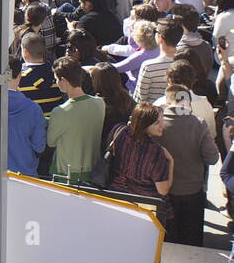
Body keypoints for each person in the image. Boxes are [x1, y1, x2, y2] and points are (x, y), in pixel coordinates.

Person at [159, 84, 218, 245]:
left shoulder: (157, 124)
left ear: (167, 101)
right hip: (192, 191)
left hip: (164, 191)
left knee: (167, 242)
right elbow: (212, 158)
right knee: (191, 240)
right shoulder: (199, 124)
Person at [46, 55, 107, 184]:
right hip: (94, 172)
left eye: (56, 79)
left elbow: (50, 142)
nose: (56, 83)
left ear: (63, 80)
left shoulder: (60, 111)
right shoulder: (100, 103)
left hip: (66, 175)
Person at [106, 103, 174, 199]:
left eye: (162, 120)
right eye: (157, 123)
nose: (162, 126)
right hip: (144, 205)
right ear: (144, 124)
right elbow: (163, 191)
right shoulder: (155, 152)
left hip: (116, 198)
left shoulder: (119, 132)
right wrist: (171, 161)